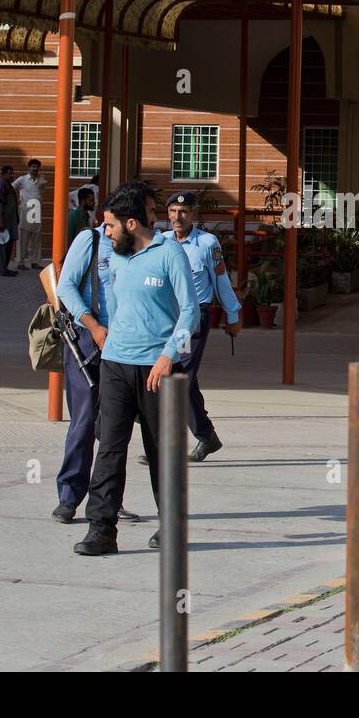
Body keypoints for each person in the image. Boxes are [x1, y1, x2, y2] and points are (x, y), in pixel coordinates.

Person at [73, 183, 199, 556]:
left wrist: (168, 355)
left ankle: (172, 525)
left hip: (158, 369)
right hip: (115, 364)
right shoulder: (115, 255)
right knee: (110, 448)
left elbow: (190, 311)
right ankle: (101, 529)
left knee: (162, 451)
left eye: (110, 225)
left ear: (131, 224)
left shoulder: (168, 252)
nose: (105, 232)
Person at [51, 210, 139, 526]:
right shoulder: (90, 240)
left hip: (124, 344)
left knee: (115, 426)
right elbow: (65, 287)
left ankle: (109, 500)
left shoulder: (138, 246)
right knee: (85, 419)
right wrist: (93, 326)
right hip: (88, 341)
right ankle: (69, 496)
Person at [165, 192, 242, 462]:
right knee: (182, 379)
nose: (177, 217)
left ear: (194, 214)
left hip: (194, 319)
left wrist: (233, 315)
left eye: (183, 212)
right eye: (173, 211)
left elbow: (221, 281)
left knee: (178, 377)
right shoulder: (161, 242)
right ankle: (206, 437)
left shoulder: (208, 244)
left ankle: (166, 447)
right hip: (168, 320)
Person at [13, 158, 47, 271]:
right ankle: (20, 261)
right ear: (29, 167)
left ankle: (35, 261)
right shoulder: (22, 179)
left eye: (37, 166)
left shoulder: (40, 180)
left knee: (36, 237)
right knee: (23, 236)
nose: (35, 168)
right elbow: (12, 187)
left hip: (36, 210)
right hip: (25, 210)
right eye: (33, 166)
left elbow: (41, 192)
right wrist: (17, 200)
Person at [0, 165, 19, 277]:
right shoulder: (0, 186)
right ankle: (1, 270)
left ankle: (5, 268)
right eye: (10, 173)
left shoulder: (9, 186)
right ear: (3, 174)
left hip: (10, 221)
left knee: (8, 245)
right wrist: (1, 222)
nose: (12, 175)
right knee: (2, 245)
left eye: (13, 173)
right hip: (3, 222)